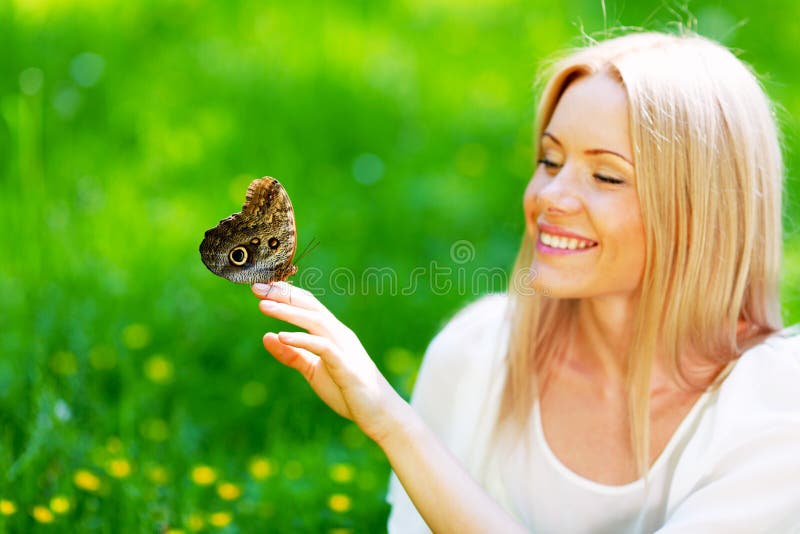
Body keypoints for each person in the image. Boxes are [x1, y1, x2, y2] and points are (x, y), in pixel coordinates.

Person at [251, 31, 800, 532]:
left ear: (702, 211)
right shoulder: (476, 354)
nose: (550, 198)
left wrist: (395, 425)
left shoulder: (777, 404)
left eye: (606, 175)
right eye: (550, 160)